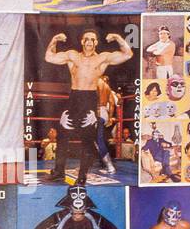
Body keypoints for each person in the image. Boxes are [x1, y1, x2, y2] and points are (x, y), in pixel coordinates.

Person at [42, 29, 134, 184]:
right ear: (82, 42)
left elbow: (127, 54)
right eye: (86, 39)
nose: (89, 41)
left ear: (96, 42)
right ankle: (59, 172)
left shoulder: (102, 59)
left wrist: (117, 37)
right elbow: (49, 57)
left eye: (92, 39)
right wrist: (55, 39)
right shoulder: (73, 56)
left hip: (90, 98)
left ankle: (82, 175)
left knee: (88, 138)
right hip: (74, 97)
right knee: (63, 134)